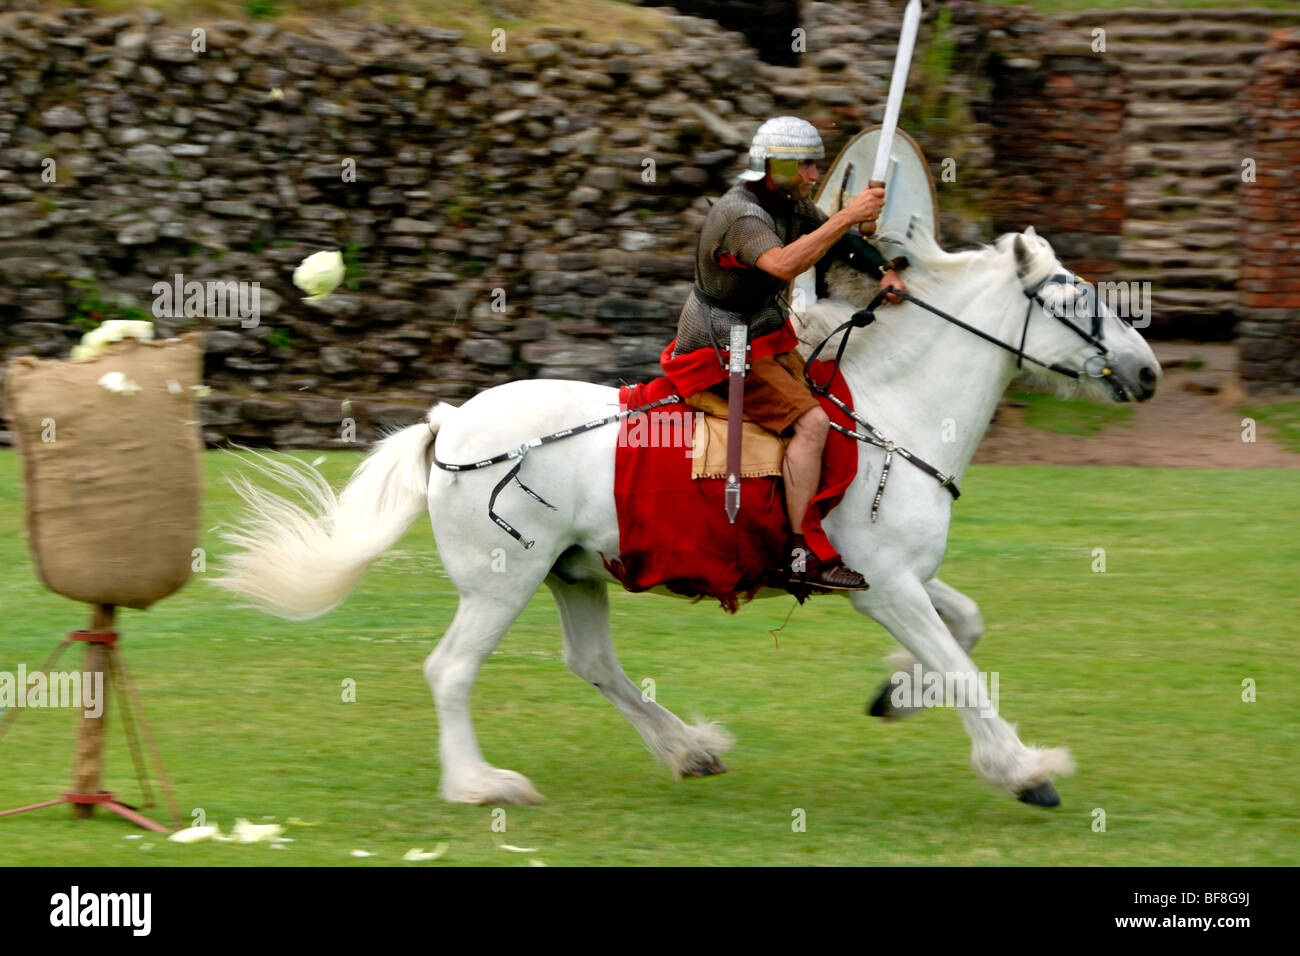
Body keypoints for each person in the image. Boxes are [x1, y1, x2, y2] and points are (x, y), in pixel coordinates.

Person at [672, 115, 907, 591]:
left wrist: (882, 268)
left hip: (765, 334)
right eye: (804, 165)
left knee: (832, 399)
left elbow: (837, 240)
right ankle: (797, 551)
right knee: (813, 422)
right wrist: (846, 213)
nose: (813, 175)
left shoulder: (786, 202)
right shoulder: (742, 215)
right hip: (723, 343)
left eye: (814, 165)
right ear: (772, 164)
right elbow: (782, 264)